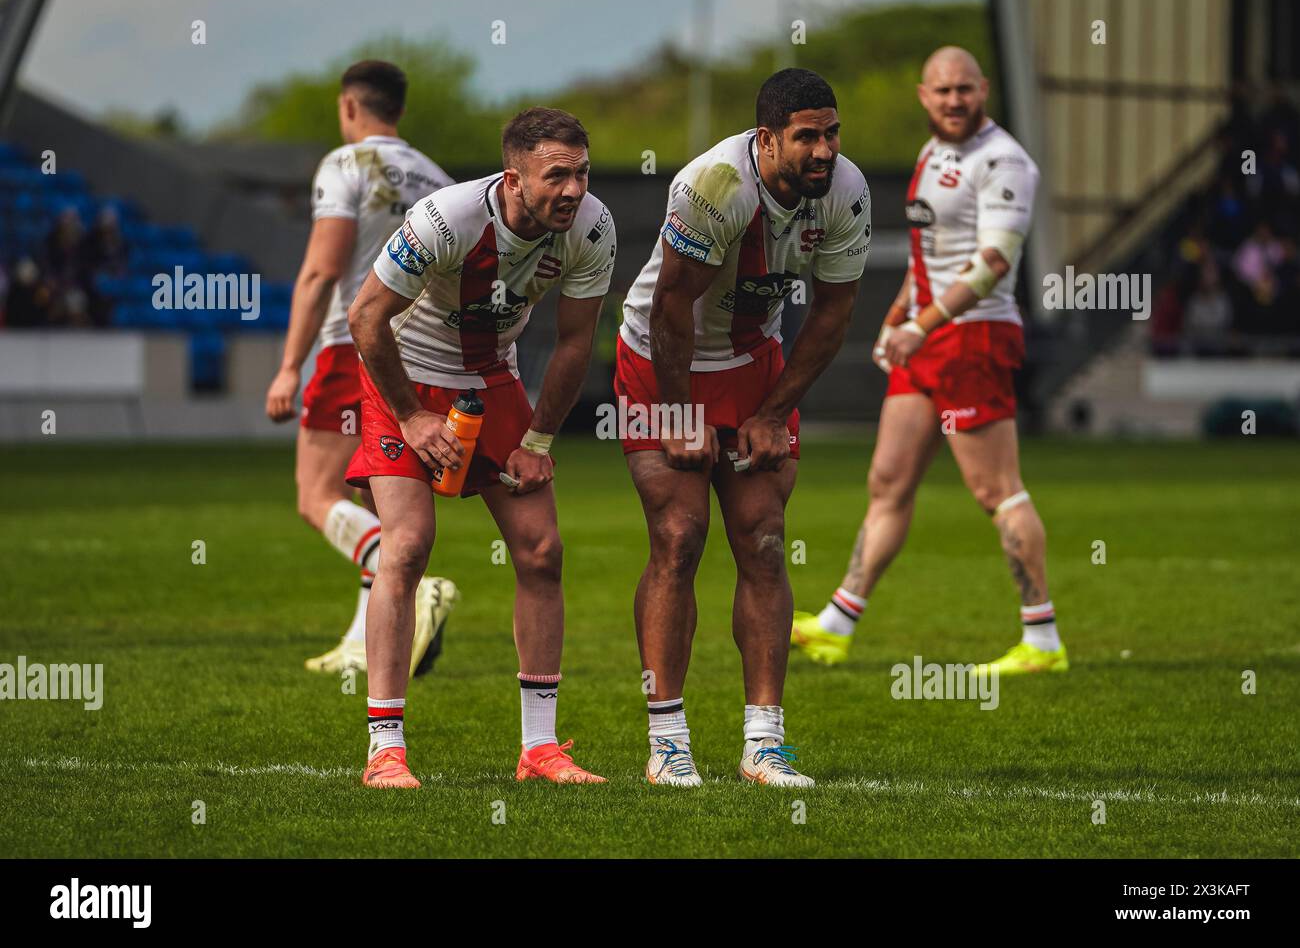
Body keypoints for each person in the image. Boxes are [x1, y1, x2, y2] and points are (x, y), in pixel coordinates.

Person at [345, 107, 617, 788]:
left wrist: (537, 441)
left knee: (542, 551)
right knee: (406, 545)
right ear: (514, 178)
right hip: (402, 377)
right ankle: (385, 750)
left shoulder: (593, 227)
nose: (574, 191)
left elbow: (578, 340)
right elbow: (365, 317)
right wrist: (410, 417)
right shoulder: (446, 219)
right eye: (557, 176)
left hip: (491, 379)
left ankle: (539, 749)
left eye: (581, 173)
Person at [617, 68, 871, 787]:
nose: (824, 151)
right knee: (679, 535)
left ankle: (764, 744)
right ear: (766, 139)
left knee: (762, 540)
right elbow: (670, 306)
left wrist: (768, 412)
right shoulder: (714, 186)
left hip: (755, 359)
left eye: (831, 133)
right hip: (664, 357)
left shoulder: (847, 191)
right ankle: (667, 741)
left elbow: (832, 315)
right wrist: (678, 413)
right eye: (806, 138)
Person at [791, 47, 1062, 679]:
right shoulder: (931, 153)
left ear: (984, 89)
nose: (954, 100)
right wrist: (897, 317)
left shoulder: (1005, 162)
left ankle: (1041, 636)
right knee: (888, 481)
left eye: (965, 89)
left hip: (973, 337)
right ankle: (836, 626)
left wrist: (922, 324)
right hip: (928, 336)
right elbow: (928, 257)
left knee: (997, 490)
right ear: (923, 95)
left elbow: (993, 264)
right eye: (942, 91)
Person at [263, 60, 458, 676]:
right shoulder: (437, 178)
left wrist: (290, 365)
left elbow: (323, 269)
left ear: (350, 106)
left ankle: (401, 575)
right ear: (398, 109)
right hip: (420, 350)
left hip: (355, 343)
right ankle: (360, 640)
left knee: (314, 495)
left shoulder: (345, 165)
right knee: (370, 491)